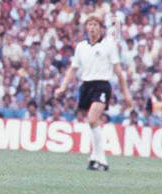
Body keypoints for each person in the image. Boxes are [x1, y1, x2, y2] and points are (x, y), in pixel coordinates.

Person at [52, 12, 132, 171]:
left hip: (102, 85)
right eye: (90, 24)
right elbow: (72, 70)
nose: (93, 28)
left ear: (101, 28)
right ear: (86, 27)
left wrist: (126, 93)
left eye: (96, 25)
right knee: (91, 122)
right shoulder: (81, 46)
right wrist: (62, 86)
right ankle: (95, 158)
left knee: (92, 118)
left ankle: (102, 159)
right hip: (86, 85)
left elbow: (118, 71)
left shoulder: (109, 44)